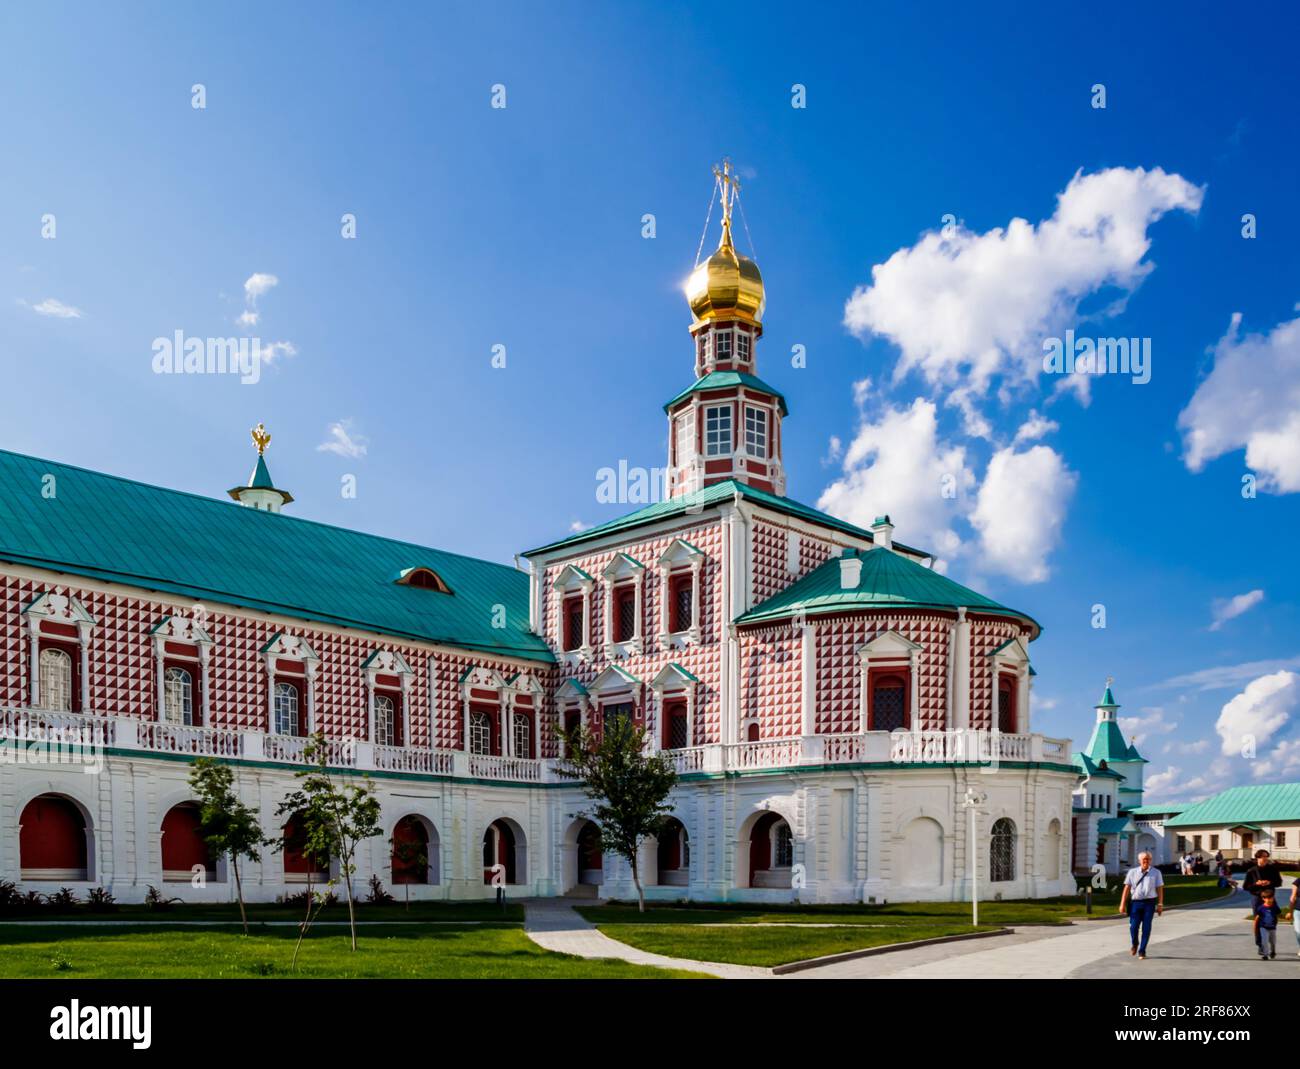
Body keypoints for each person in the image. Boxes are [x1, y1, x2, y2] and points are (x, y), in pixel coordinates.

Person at [1119, 850, 1165, 960]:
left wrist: (1160, 904)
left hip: (1149, 903)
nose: (1146, 861)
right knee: (1133, 927)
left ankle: (1142, 950)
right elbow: (1127, 888)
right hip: (1135, 903)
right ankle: (1135, 943)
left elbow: (1160, 889)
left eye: (1148, 859)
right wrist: (1122, 904)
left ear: (1151, 860)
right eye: (1144, 859)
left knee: (1146, 927)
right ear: (1139, 861)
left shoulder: (1156, 873)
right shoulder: (1132, 872)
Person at [1254, 888, 1281, 960]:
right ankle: (1265, 954)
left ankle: (1273, 951)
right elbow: (1257, 919)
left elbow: (1278, 915)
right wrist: (1255, 928)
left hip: (1272, 928)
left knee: (1273, 942)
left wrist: (1276, 924)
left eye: (1270, 898)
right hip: (1263, 927)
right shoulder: (1260, 908)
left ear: (1273, 898)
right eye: (1266, 898)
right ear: (1263, 898)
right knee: (1264, 941)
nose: (1268, 900)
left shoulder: (1275, 907)